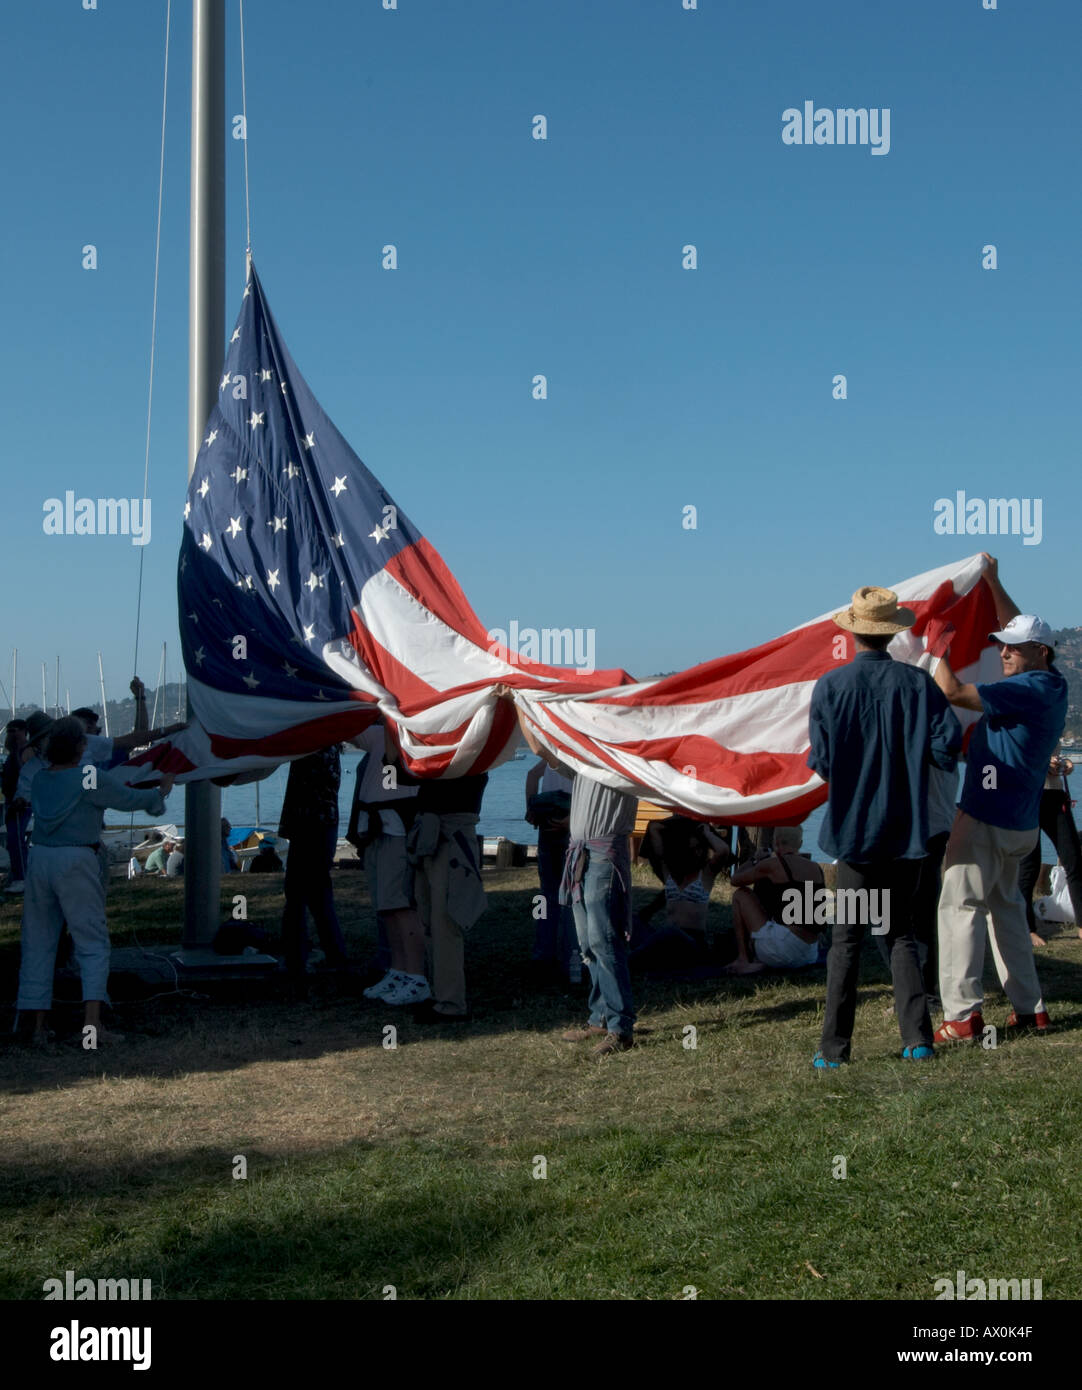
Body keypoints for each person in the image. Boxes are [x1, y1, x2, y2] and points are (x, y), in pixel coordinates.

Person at [807, 586, 962, 1068]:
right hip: (908, 832)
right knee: (901, 935)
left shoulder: (830, 688)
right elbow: (946, 747)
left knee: (847, 939)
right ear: (893, 633)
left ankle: (834, 1050)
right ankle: (917, 1039)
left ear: (853, 632)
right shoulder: (918, 686)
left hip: (854, 834)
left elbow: (822, 762)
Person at [932, 556, 1067, 1040]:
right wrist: (992, 581)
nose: (1002, 653)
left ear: (1040, 652)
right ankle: (1030, 1009)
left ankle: (963, 1015)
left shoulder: (1026, 687)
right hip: (1020, 822)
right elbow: (1018, 627)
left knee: (959, 906)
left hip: (986, 815)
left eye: (1012, 649)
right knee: (1006, 908)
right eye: (1002, 647)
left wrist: (936, 647)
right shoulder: (1051, 684)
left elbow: (951, 691)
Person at [16, 717, 173, 1046]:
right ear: (78, 747)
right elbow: (128, 800)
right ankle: (92, 1026)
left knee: (38, 942)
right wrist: (160, 792)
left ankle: (37, 1026)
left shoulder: (41, 779)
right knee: (92, 943)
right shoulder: (88, 778)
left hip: (40, 857)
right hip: (76, 859)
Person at [499, 688, 637, 1056]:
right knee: (588, 941)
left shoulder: (625, 756)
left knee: (603, 938)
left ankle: (620, 1026)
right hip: (582, 853)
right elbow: (544, 752)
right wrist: (520, 706)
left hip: (604, 852)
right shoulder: (588, 758)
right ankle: (600, 1017)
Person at [347, 723, 430, 1007]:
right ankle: (399, 969)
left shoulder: (413, 735)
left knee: (401, 906)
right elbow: (347, 727)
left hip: (398, 827)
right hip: (377, 828)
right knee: (387, 907)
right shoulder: (379, 735)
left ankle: (416, 975)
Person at [408, 772, 488, 1022]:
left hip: (451, 832)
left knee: (445, 922)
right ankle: (440, 994)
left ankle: (450, 1002)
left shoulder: (470, 756)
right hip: (431, 828)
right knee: (429, 919)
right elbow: (401, 772)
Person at [279, 745, 350, 982]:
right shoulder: (327, 749)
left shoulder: (312, 748)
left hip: (309, 825)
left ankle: (297, 958)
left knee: (298, 895)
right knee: (318, 895)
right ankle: (332, 954)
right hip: (320, 824)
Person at [632, 816, 731, 968]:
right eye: (692, 848)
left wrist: (706, 831)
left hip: (691, 941)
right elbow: (654, 829)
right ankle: (642, 956)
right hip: (667, 941)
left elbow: (723, 851)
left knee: (669, 933)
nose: (696, 852)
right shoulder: (670, 872)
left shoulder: (705, 875)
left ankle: (631, 961)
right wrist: (679, 822)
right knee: (633, 922)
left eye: (699, 848)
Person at [727, 825, 824, 973]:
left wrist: (754, 859)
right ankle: (768, 961)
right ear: (800, 843)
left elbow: (735, 880)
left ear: (776, 842)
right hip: (810, 953)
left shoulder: (773, 865)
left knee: (741, 894)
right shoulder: (816, 868)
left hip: (783, 951)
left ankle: (743, 959)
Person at [1017, 748, 1082, 947]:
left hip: (1054, 793)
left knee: (1074, 859)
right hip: (1027, 794)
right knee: (1029, 865)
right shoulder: (1019, 719)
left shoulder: (1053, 717)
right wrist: (1044, 764)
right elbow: (1013, 756)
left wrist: (1064, 764)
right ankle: (1027, 928)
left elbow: (1053, 754)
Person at [524, 756, 576, 980]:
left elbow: (531, 775)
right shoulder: (577, 753)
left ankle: (542, 952)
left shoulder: (550, 752)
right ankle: (571, 954)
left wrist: (531, 808)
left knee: (545, 894)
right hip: (569, 825)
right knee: (572, 896)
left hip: (546, 824)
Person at [3, 719, 30, 891]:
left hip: (21, 801)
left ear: (24, 731)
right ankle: (18, 873)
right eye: (9, 731)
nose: (11, 734)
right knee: (13, 839)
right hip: (10, 800)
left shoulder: (26, 751)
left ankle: (22, 877)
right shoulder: (12, 753)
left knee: (16, 839)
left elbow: (27, 774)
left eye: (15, 730)